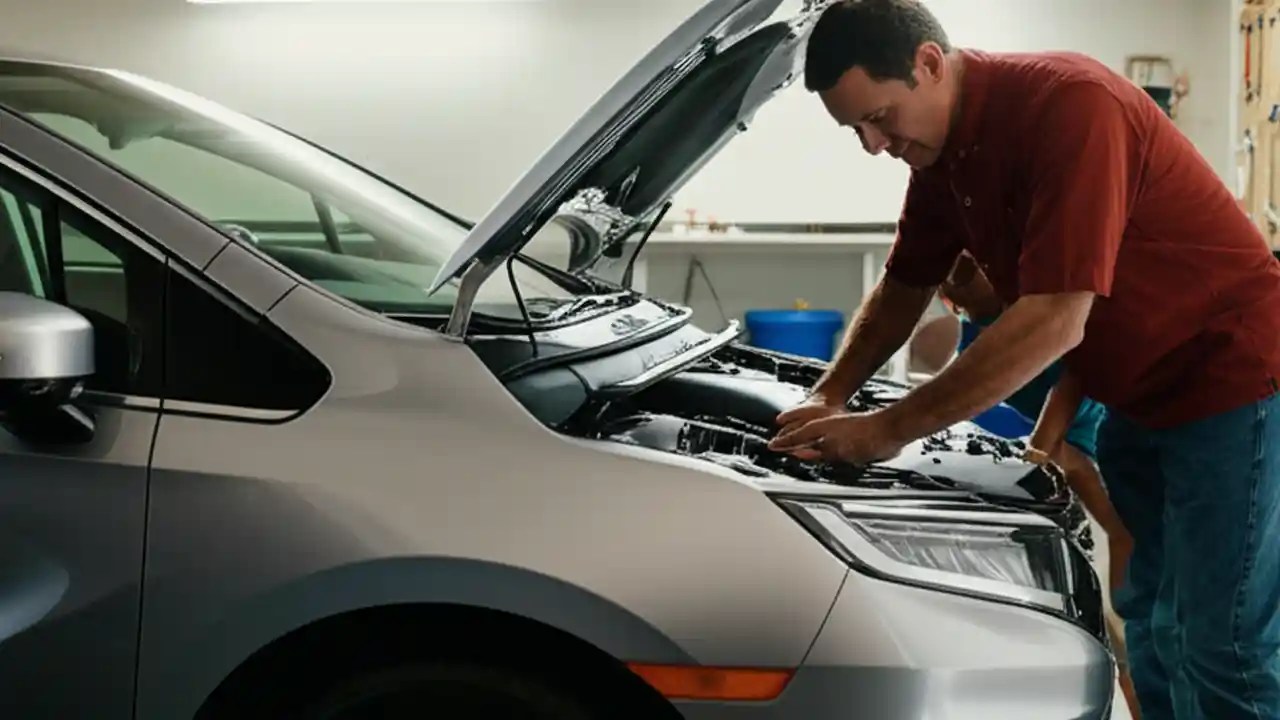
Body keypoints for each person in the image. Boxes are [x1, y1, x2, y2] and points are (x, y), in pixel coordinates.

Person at [768, 1, 1280, 717]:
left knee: (1223, 643)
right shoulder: (944, 155)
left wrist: (887, 429)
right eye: (856, 129)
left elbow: (1054, 318)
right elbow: (906, 283)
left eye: (880, 118)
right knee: (1159, 629)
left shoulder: (1072, 108)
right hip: (1139, 393)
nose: (874, 145)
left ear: (929, 64)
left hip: (1231, 384)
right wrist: (832, 394)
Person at [939, 251, 1142, 718]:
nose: (971, 271)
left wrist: (1042, 444)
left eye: (973, 263)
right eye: (958, 274)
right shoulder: (975, 345)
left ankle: (1130, 643)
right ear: (948, 301)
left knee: (1126, 594)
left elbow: (1074, 371)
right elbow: (955, 394)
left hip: (1090, 448)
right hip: (1057, 464)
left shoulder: (1034, 317)